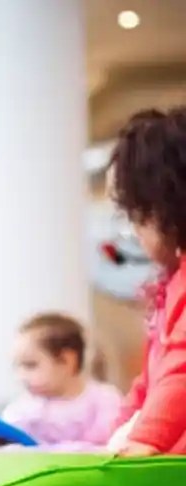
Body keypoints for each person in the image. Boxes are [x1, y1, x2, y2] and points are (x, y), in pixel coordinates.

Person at [105, 107, 186, 456]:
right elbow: (149, 384)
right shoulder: (171, 285)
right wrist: (113, 438)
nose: (135, 233)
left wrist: (145, 438)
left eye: (138, 218)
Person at [0, 313, 122, 450]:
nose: (21, 376)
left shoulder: (105, 400)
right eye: (17, 367)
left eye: (30, 365)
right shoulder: (22, 410)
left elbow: (105, 449)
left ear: (67, 360)